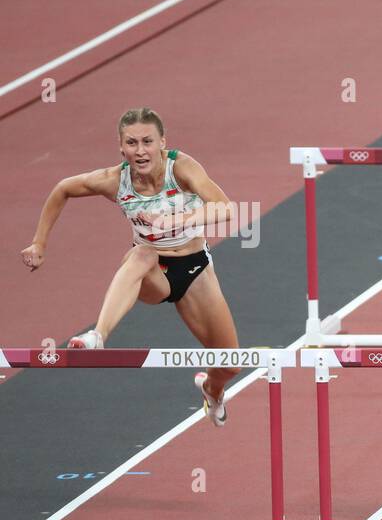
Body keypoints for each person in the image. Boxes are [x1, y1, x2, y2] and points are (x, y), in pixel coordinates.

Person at [20, 107, 241, 425]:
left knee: (231, 362)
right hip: (152, 273)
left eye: (148, 142)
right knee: (142, 254)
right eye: (132, 143)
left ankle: (212, 389)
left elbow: (225, 208)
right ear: (121, 147)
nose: (140, 151)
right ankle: (98, 334)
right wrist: (39, 242)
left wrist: (172, 221)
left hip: (195, 270)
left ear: (162, 142)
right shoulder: (114, 181)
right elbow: (63, 189)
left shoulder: (181, 168)